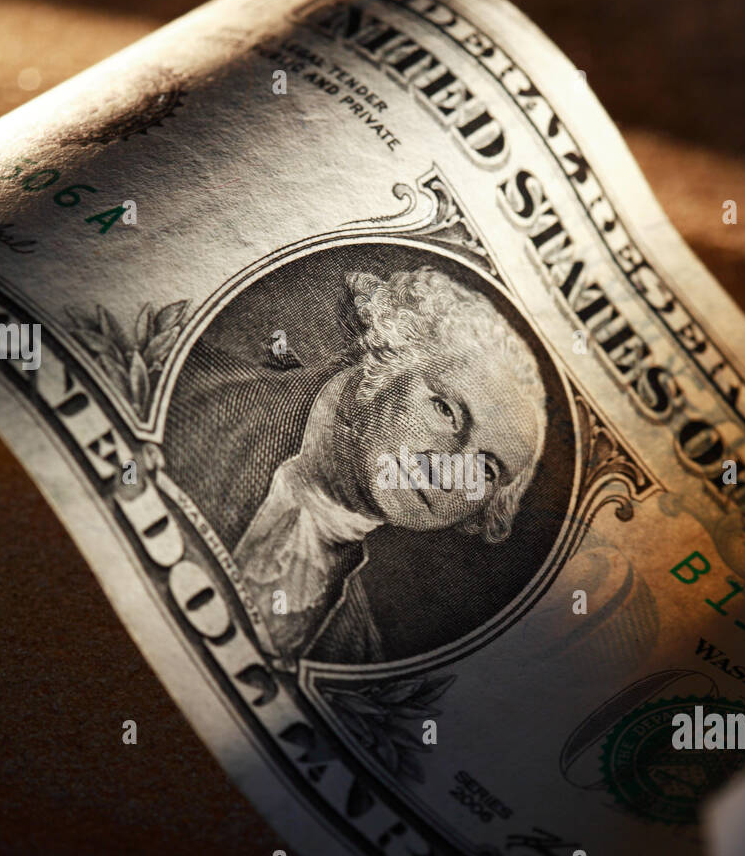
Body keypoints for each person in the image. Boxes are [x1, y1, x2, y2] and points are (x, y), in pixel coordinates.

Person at [164, 264, 547, 667]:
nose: (449, 475)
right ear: (389, 358)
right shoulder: (183, 389)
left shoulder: (354, 652)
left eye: (486, 471)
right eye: (445, 410)